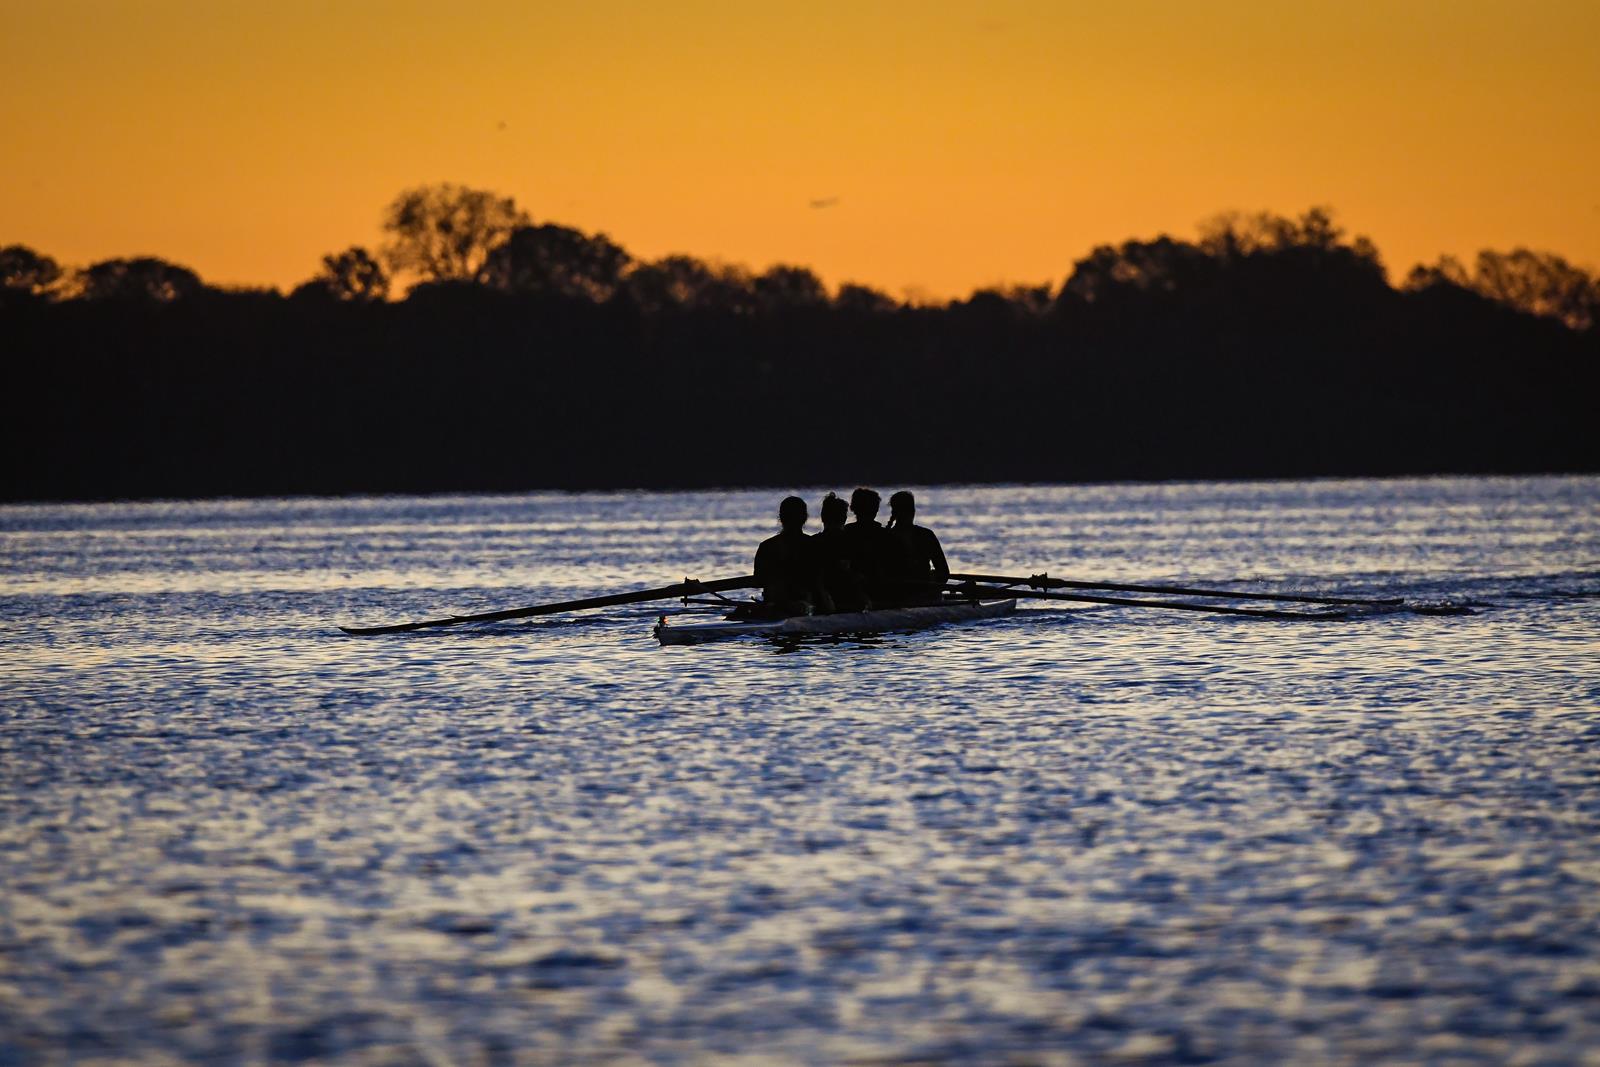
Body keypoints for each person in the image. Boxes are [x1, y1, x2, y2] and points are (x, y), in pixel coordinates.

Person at [751, 496, 826, 618]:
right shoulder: (814, 545)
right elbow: (819, 580)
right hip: (805, 606)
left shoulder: (766, 546)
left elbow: (758, 581)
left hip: (774, 605)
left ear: (781, 518)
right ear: (804, 518)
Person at [839, 487, 902, 607]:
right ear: (876, 510)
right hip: (881, 593)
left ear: (852, 509)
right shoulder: (889, 537)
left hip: (851, 594)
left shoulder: (844, 534)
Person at [886, 490, 949, 604]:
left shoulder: (885, 536)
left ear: (894, 512)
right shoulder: (926, 535)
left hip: (894, 595)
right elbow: (944, 573)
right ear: (913, 511)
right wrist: (932, 582)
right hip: (924, 594)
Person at [811, 491, 861, 612]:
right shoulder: (852, 543)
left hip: (818, 600)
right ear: (844, 518)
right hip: (846, 599)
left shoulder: (812, 543)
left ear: (823, 517)